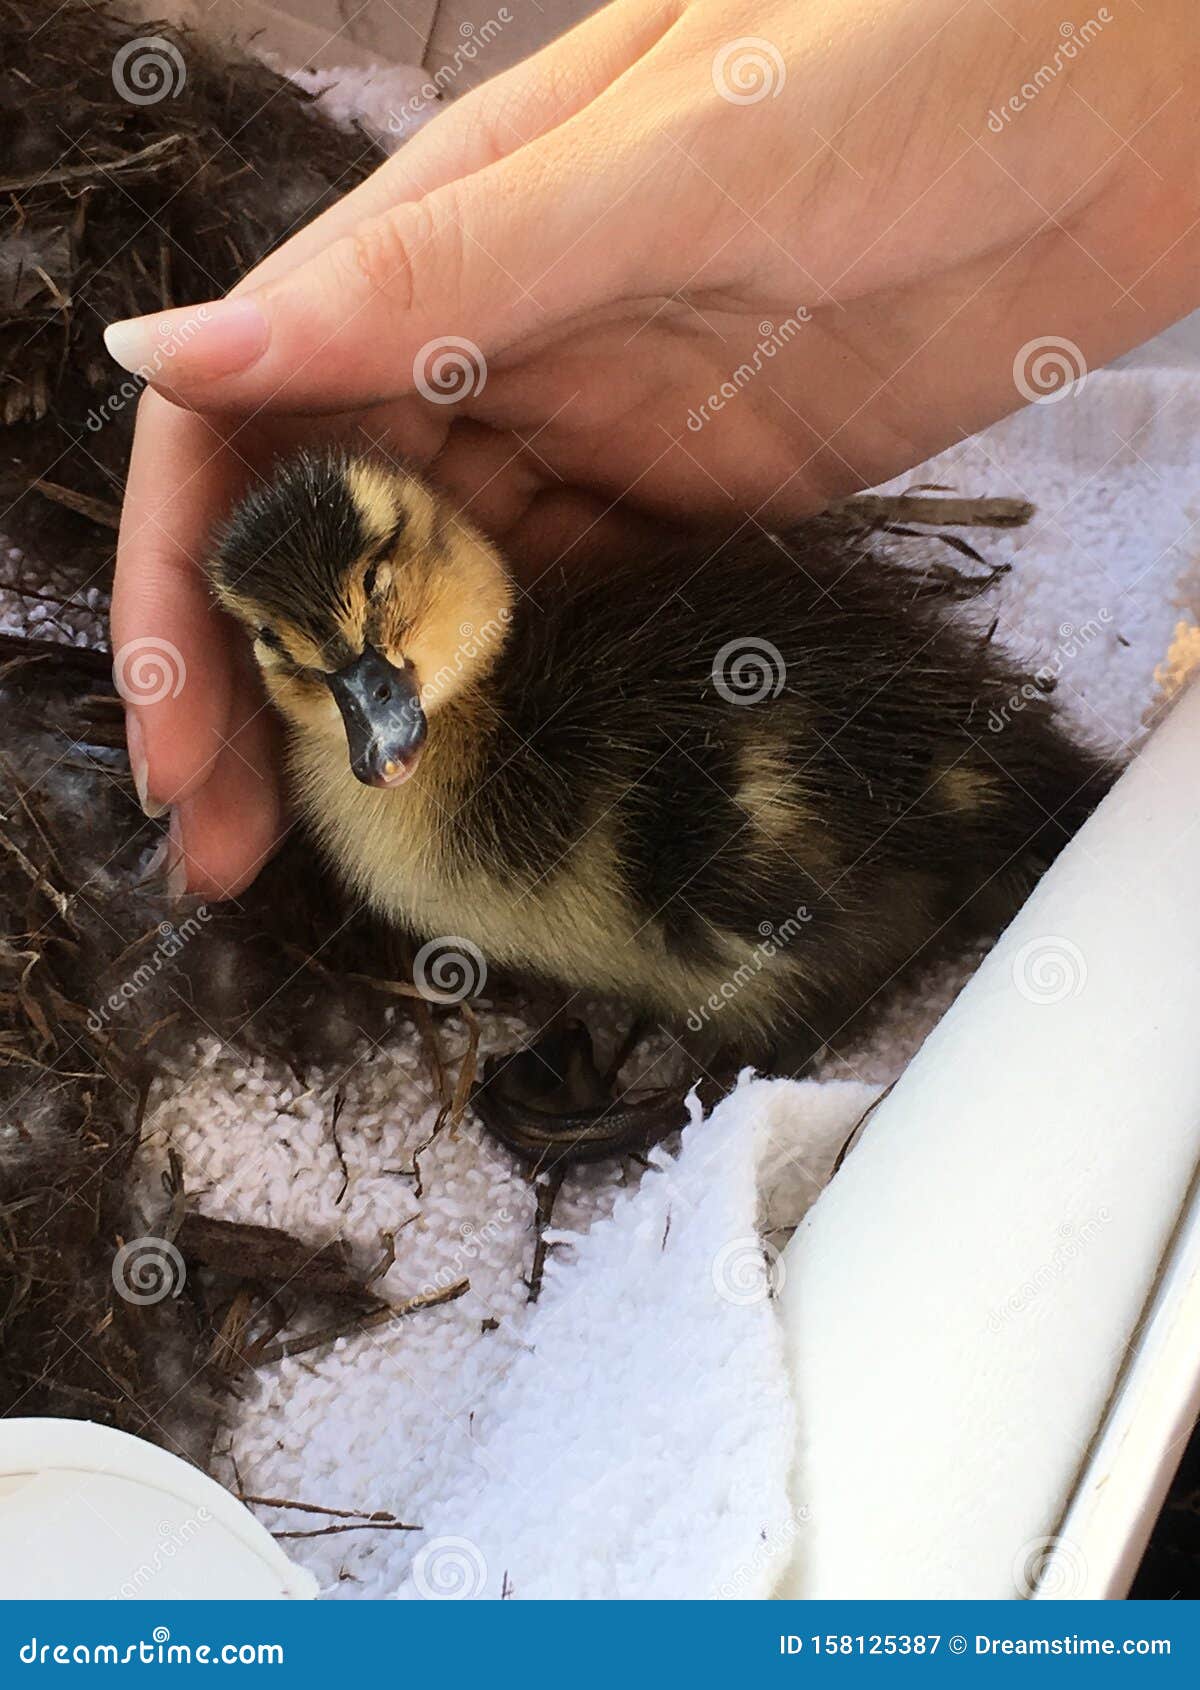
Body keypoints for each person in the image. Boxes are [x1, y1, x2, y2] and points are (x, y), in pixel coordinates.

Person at [107, 0, 1199, 898]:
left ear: (434, 533)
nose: (374, 715)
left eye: (379, 605)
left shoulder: (544, 801)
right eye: (316, 663)